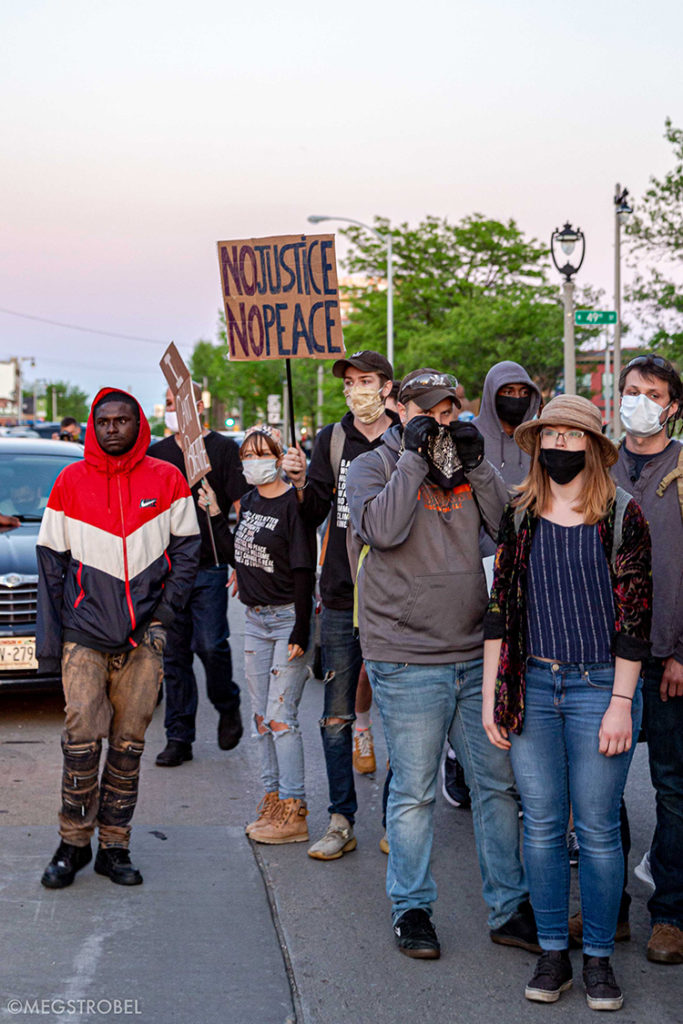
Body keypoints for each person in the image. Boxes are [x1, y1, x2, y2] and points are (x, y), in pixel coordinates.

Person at [347, 368, 534, 960]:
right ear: (400, 410)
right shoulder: (371, 466)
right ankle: (412, 909)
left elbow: (508, 529)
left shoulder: (470, 462)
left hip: (474, 650)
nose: (441, 421)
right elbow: (381, 529)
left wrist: (478, 468)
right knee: (415, 792)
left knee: (497, 786)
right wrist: (413, 455)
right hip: (407, 656)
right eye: (427, 411)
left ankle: (510, 907)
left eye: (449, 411)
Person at [482, 394, 652, 1010]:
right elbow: (499, 609)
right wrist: (490, 698)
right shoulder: (520, 513)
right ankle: (553, 950)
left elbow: (636, 619)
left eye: (571, 435)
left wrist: (620, 702)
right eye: (550, 434)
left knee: (599, 829)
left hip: (600, 688)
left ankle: (599, 958)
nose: (559, 444)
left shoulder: (623, 514)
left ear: (593, 447)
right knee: (544, 826)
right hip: (532, 685)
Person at [37, 389, 200, 888]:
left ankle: (114, 847)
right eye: (103, 421)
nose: (112, 428)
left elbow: (188, 552)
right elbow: (50, 567)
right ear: (94, 425)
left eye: (122, 420)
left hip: (144, 639)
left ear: (138, 424)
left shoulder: (167, 479)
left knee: (128, 745)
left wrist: (163, 618)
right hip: (84, 635)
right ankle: (72, 844)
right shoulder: (70, 481)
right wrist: (50, 643)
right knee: (81, 741)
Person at [281, 349, 397, 860]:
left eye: (365, 381)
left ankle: (398, 820)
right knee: (335, 717)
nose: (356, 390)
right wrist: (299, 482)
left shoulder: (406, 436)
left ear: (387, 387)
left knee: (402, 716)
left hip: (396, 594)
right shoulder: (332, 439)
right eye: (349, 383)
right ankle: (340, 819)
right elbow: (312, 514)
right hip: (340, 593)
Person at [443, 361, 542, 809]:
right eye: (508, 391)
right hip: (474, 566)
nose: (515, 399)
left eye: (523, 392)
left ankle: (513, 769)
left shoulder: (540, 440)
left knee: (517, 665)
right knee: (474, 666)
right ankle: (458, 758)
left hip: (529, 567)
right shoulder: (467, 437)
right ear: (490, 393)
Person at [612, 354, 683, 965]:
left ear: (672, 406)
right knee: (601, 791)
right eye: (631, 390)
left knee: (673, 787)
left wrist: (682, 652)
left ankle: (670, 915)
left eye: (653, 393)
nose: (639, 401)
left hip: (667, 658)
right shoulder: (596, 464)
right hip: (605, 657)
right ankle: (609, 909)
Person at [224, 428, 317, 843]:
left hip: (286, 620)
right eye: (247, 455)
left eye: (262, 453)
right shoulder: (248, 502)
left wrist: (301, 626)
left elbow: (303, 568)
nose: (254, 461)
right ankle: (273, 801)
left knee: (281, 718)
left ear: (279, 458)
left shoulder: (293, 504)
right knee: (261, 718)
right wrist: (240, 569)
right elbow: (241, 551)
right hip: (255, 621)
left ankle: (294, 810)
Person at [151, 383, 248, 767]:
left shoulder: (222, 449)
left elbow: (243, 506)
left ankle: (226, 702)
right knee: (174, 657)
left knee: (210, 645)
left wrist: (242, 562)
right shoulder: (157, 454)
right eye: (169, 403)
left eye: (181, 403)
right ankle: (179, 737)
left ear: (201, 405)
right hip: (167, 570)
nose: (174, 409)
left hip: (209, 565)